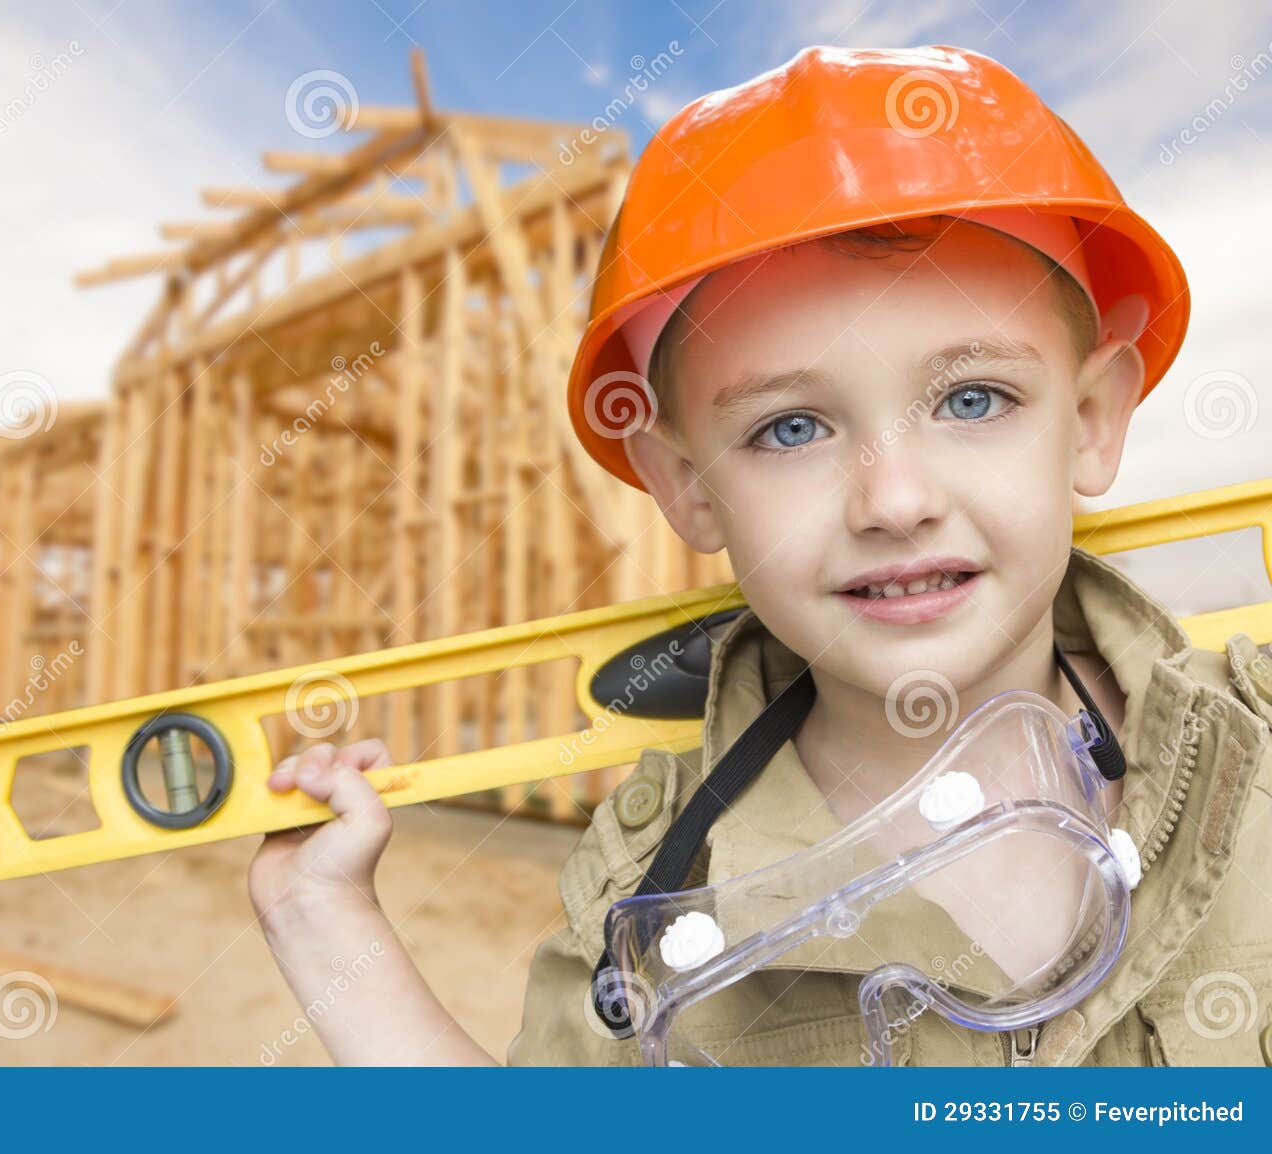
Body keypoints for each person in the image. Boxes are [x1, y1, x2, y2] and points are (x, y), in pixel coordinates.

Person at [247, 44, 1272, 1066]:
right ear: (688, 484)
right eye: (790, 429)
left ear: (1091, 419)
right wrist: (320, 911)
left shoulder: (1254, 749)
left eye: (972, 399)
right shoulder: (649, 906)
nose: (895, 499)